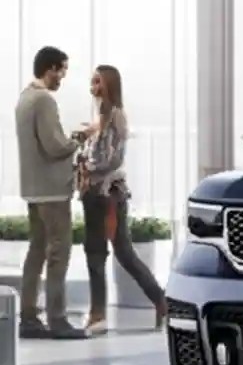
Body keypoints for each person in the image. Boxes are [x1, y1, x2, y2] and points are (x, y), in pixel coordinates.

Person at [77, 65, 167, 333]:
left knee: (121, 253)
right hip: (94, 193)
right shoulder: (101, 116)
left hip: (109, 195)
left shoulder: (116, 116)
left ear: (110, 85)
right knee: (96, 252)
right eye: (92, 81)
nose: (93, 87)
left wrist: (88, 166)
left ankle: (159, 301)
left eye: (98, 82)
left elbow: (114, 158)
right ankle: (99, 314)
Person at [14, 46, 88, 339]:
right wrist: (79, 138)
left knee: (36, 253)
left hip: (33, 190)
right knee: (59, 254)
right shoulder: (44, 100)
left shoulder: (24, 98)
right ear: (51, 68)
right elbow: (54, 145)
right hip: (52, 193)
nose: (63, 78)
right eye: (62, 70)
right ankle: (58, 319)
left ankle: (29, 316)